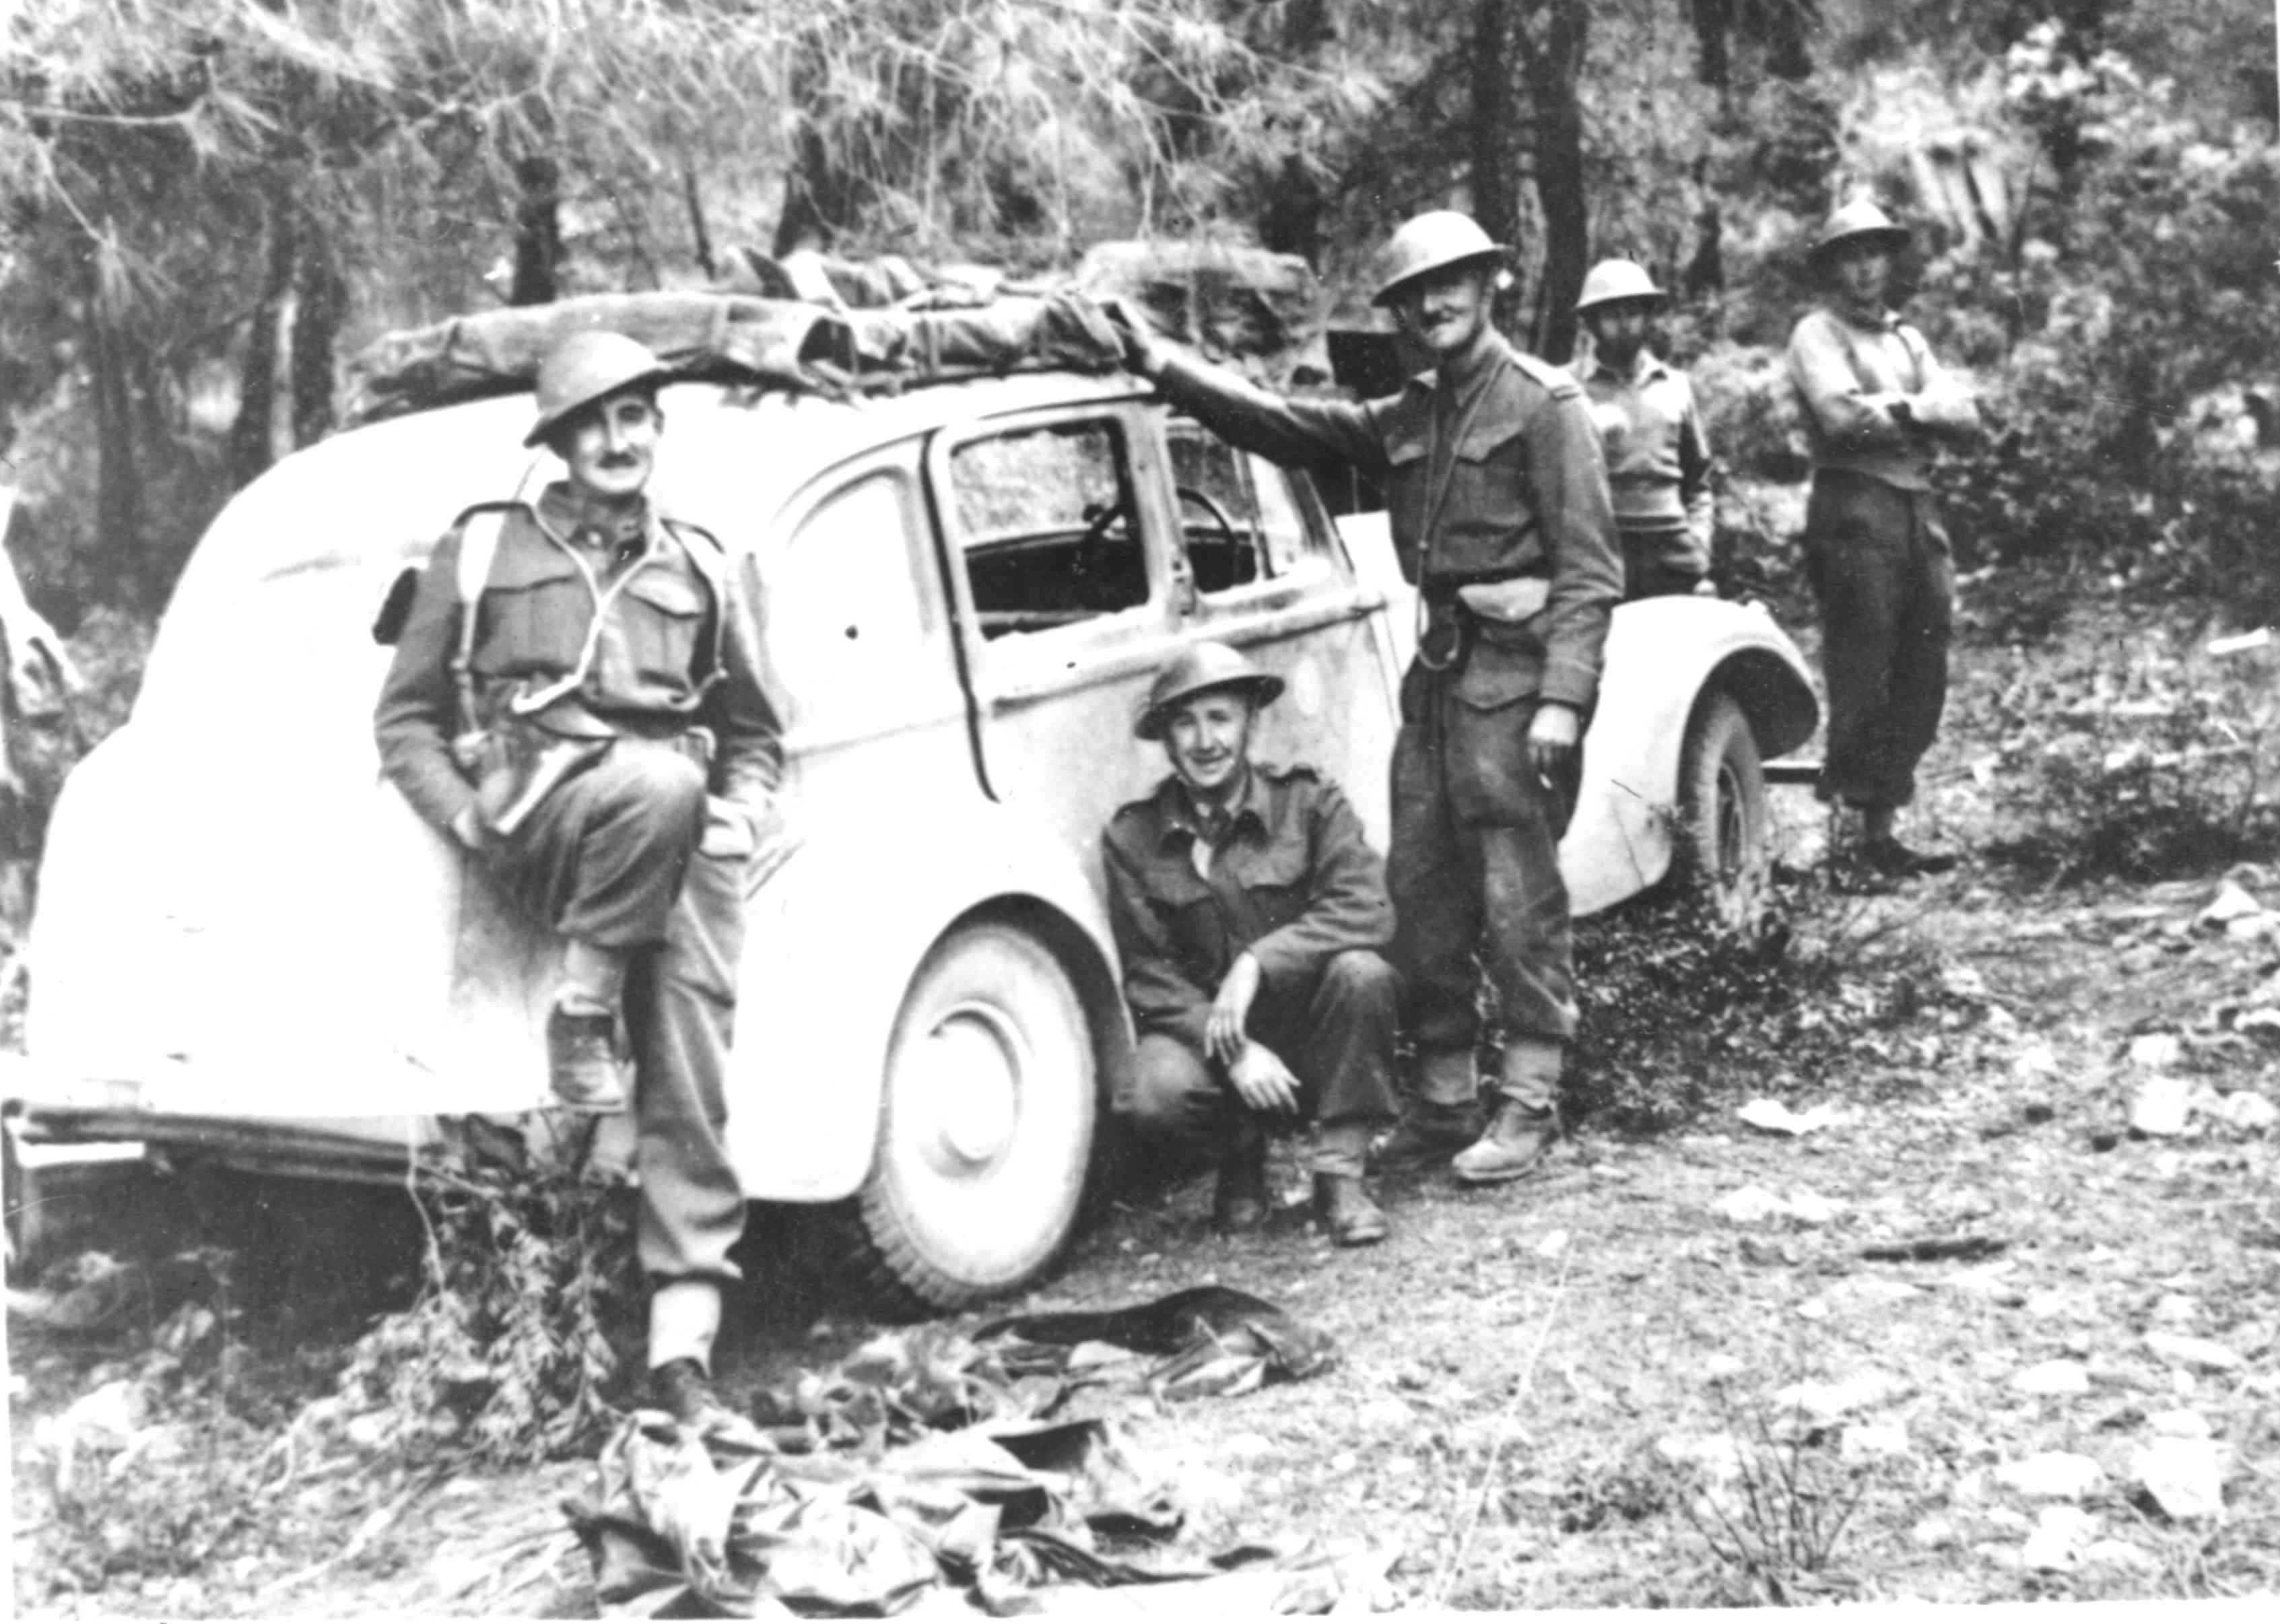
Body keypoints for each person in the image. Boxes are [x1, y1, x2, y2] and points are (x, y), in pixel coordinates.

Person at [1104, 211, 1622, 1186]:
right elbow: (1282, 426)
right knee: (1420, 894)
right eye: (1413, 295)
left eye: (1452, 283)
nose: (1434, 304)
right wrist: (1165, 366)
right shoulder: (1412, 414)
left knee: (1517, 895)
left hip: (1515, 689)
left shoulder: (1546, 405)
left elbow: (1591, 574)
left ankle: (1527, 1097)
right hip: (1434, 688)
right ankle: (1441, 1097)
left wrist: (1562, 700)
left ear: (1489, 285)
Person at [375, 329, 782, 1428]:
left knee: (692, 1080)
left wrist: (737, 810)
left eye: (637, 416)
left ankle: (678, 1361)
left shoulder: (700, 559)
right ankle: (580, 1018)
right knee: (650, 782)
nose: (619, 439)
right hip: (533, 821)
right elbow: (407, 719)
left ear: (658, 429)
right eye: (595, 420)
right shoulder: (485, 548)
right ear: (557, 440)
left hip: (681, 845)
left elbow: (753, 729)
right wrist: (463, 813)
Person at [1102, 642, 1401, 1246]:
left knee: (1362, 974)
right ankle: (1241, 1159)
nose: (1204, 741)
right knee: (1151, 1090)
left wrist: (1256, 962)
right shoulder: (1133, 837)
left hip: (1314, 1031)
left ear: (1250, 723)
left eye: (1220, 718)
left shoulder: (1310, 803)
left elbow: (1367, 906)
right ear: (1165, 738)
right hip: (1218, 1042)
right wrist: (1234, 1048)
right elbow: (1148, 972)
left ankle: (1340, 1173)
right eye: (1184, 723)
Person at [1784, 201, 1980, 877]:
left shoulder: (1904, 338)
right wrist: (1918, 413)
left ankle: (1880, 832)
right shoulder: (1816, 333)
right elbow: (1840, 420)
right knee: (1860, 670)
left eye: (1874, 252)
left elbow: (1964, 412)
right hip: (1853, 508)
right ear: (1832, 267)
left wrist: (1899, 409)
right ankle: (1844, 843)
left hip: (1916, 511)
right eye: (1850, 254)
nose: (1864, 267)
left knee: (1921, 672)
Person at [1572, 259, 1716, 600]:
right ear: (1592, 322)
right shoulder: (1568, 388)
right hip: (1602, 550)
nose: (1624, 325)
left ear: (1648, 317)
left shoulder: (1675, 386)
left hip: (1673, 554)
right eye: (1611, 314)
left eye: (1633, 312)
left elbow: (1700, 480)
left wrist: (1700, 541)